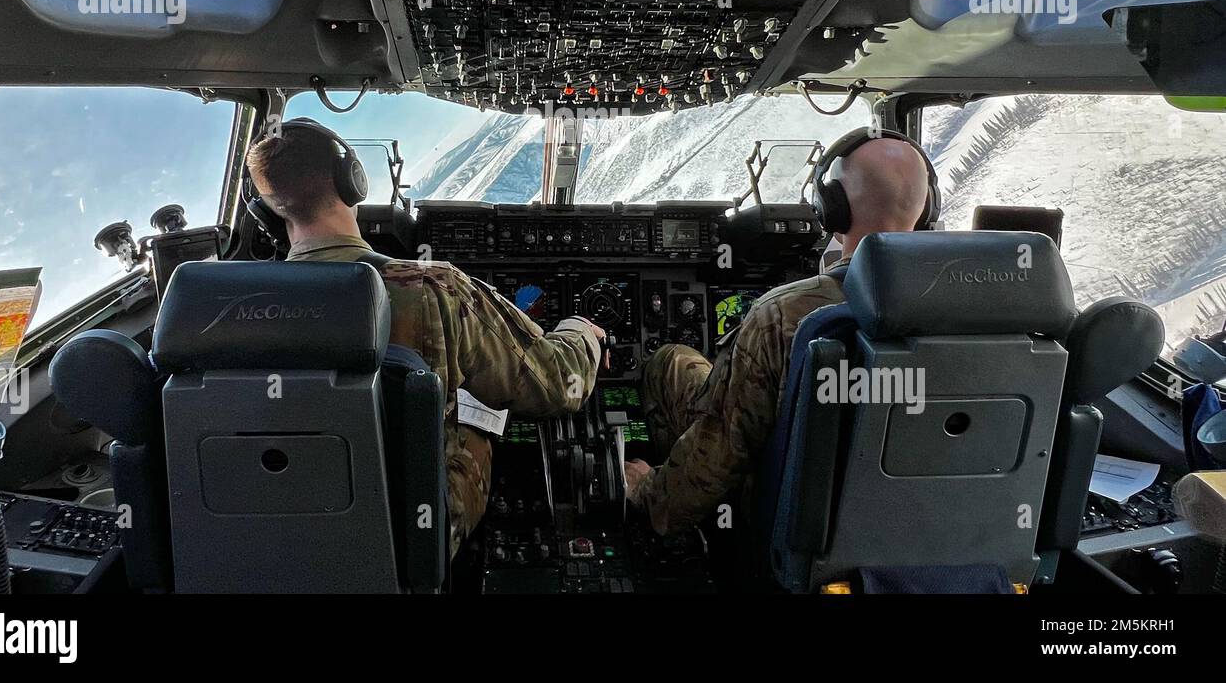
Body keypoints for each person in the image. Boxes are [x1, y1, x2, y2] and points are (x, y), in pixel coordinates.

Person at [245, 118, 605, 555]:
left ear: (267, 212)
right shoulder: (432, 288)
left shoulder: (231, 306)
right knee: (477, 410)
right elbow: (556, 385)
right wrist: (582, 332)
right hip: (406, 535)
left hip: (265, 534)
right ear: (352, 182)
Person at [624, 131, 934, 536]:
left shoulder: (782, 313)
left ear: (832, 209)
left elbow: (717, 455)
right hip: (923, 525)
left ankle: (707, 547)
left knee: (673, 362)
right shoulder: (974, 311)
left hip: (797, 528)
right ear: (925, 208)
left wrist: (645, 491)